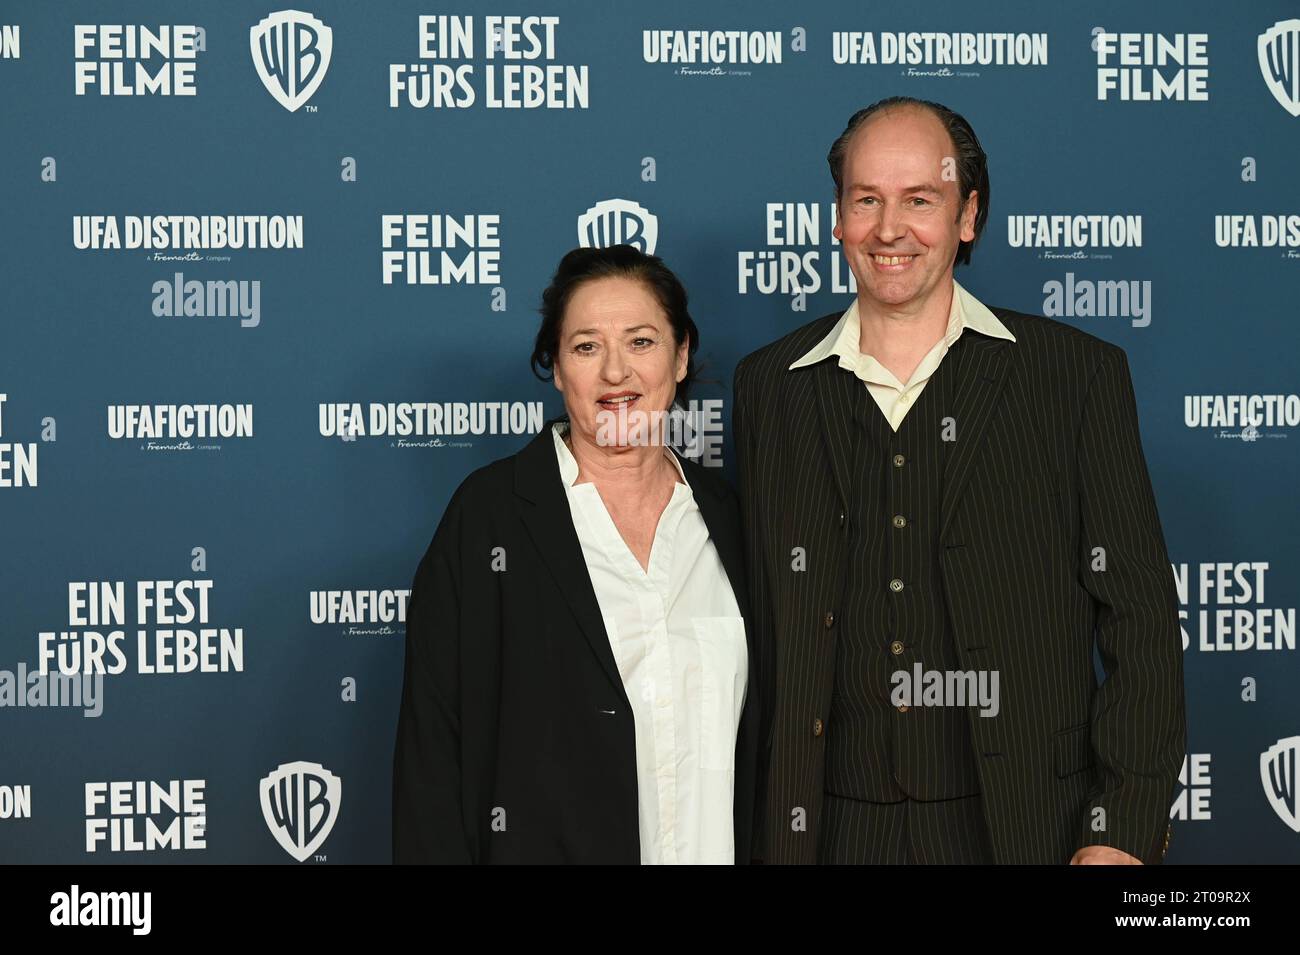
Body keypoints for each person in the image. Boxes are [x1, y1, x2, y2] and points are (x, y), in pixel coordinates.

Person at [733, 96, 1185, 864]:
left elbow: (1141, 620)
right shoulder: (770, 387)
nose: (889, 228)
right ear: (838, 217)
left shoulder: (1073, 376)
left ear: (968, 215)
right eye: (866, 199)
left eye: (921, 199)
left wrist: (1121, 828)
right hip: (828, 831)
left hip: (1025, 829)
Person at [393, 244, 759, 864]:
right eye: (587, 347)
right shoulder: (488, 521)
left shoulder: (731, 519)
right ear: (558, 370)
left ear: (681, 356)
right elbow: (433, 760)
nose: (616, 373)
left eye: (641, 342)